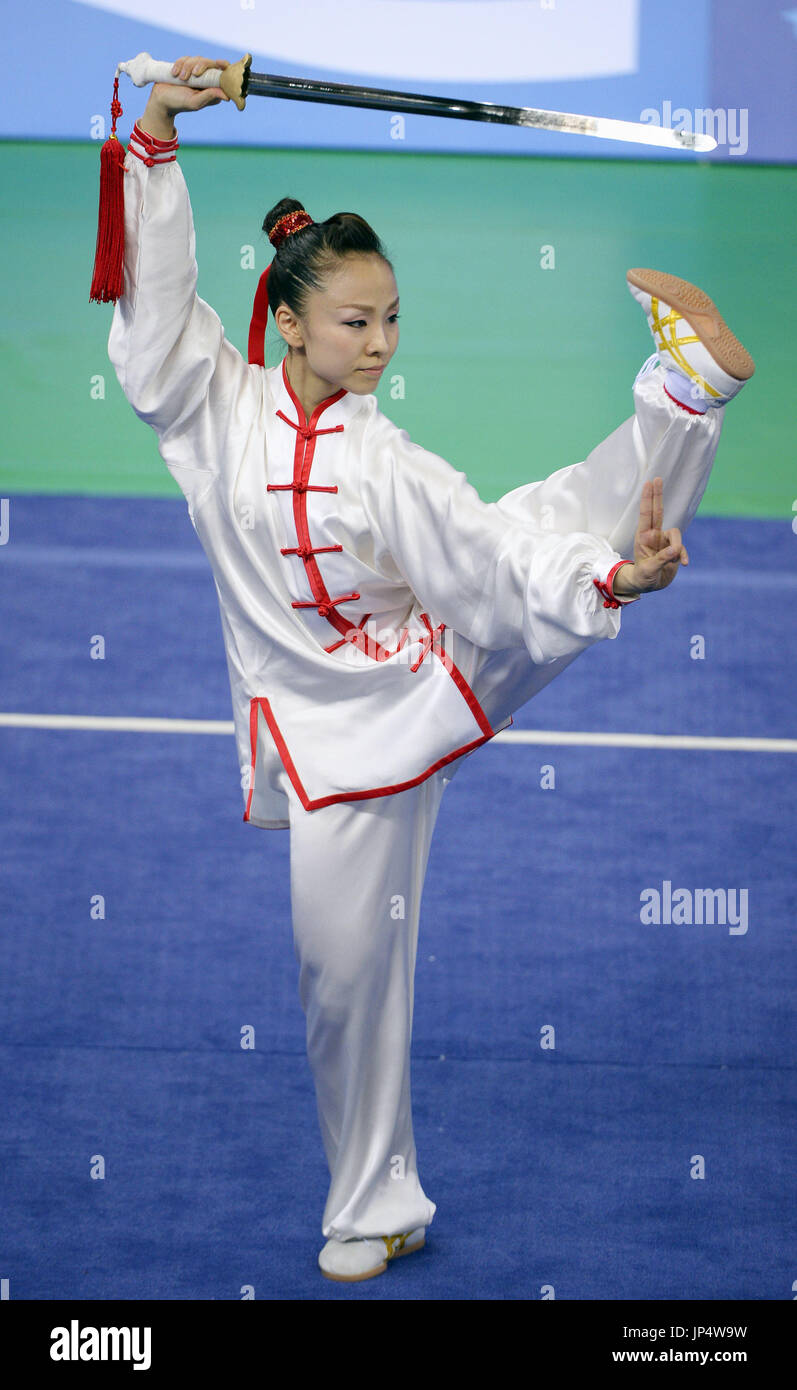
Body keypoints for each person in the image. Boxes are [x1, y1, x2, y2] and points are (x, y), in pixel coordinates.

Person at [107, 56, 754, 1283]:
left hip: (410, 688)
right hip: (310, 721)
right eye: (355, 320)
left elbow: (488, 559)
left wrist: (607, 586)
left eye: (392, 317)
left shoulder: (384, 458)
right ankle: (680, 389)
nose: (380, 341)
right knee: (558, 507)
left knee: (536, 541)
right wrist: (153, 129)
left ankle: (372, 1204)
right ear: (287, 320)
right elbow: (151, 318)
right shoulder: (215, 413)